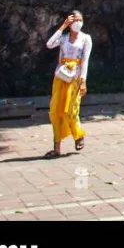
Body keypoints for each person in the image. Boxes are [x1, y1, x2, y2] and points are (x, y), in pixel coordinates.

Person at [44, 10, 92, 159]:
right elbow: (49, 44)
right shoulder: (64, 38)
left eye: (80, 19)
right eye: (74, 20)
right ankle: (56, 147)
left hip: (75, 78)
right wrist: (62, 26)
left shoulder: (86, 39)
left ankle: (78, 135)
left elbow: (85, 61)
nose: (77, 22)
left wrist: (83, 80)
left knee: (71, 110)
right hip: (61, 77)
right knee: (55, 110)